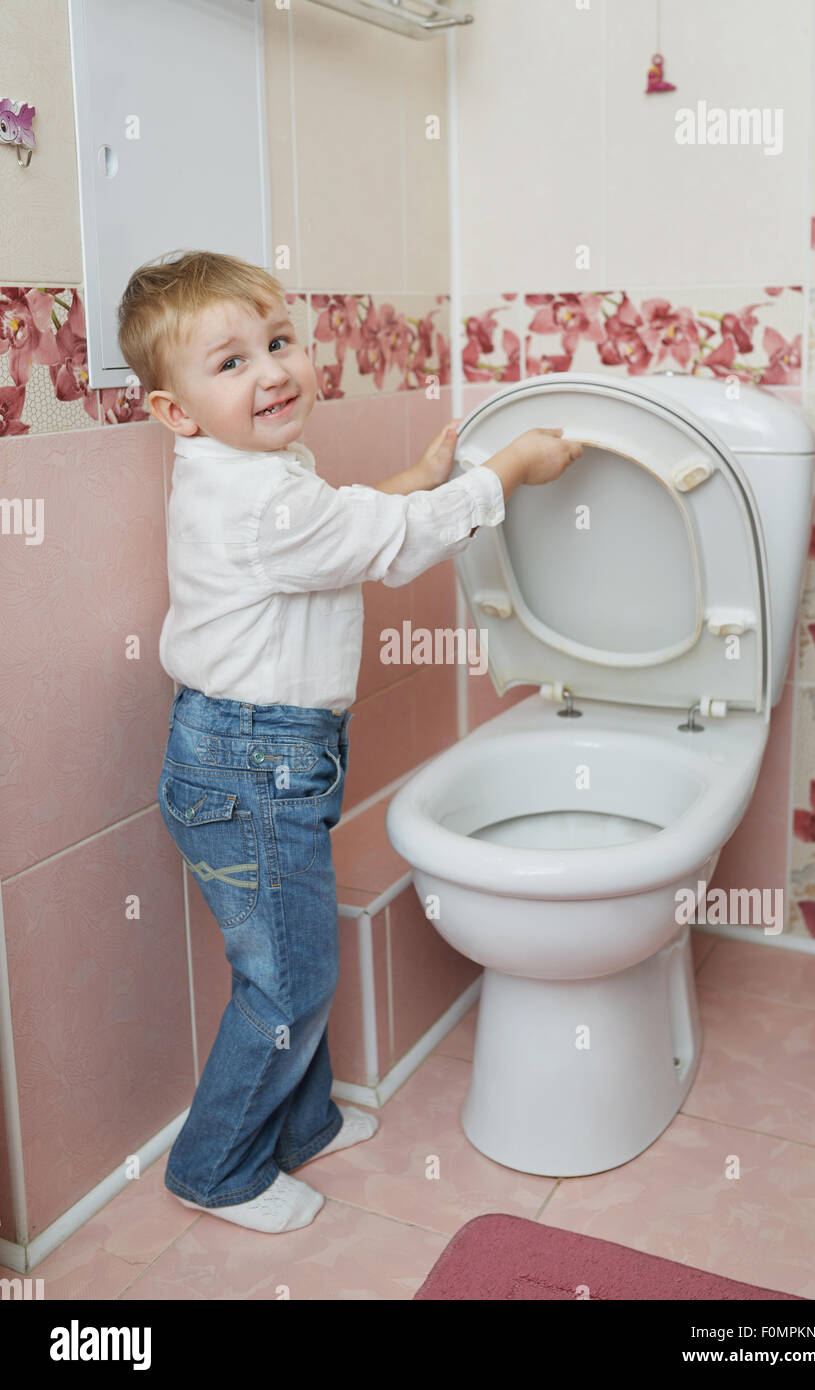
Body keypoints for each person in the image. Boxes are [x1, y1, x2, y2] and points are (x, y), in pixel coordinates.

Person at [117, 248, 583, 1234]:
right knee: (287, 978)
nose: (273, 370)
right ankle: (216, 1167)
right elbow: (381, 542)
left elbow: (341, 528)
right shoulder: (258, 498)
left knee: (291, 957)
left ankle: (300, 1124)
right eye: (232, 362)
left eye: (278, 342)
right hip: (252, 764)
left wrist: (412, 477)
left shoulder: (251, 473)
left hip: (257, 758)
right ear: (175, 411)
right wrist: (506, 474)